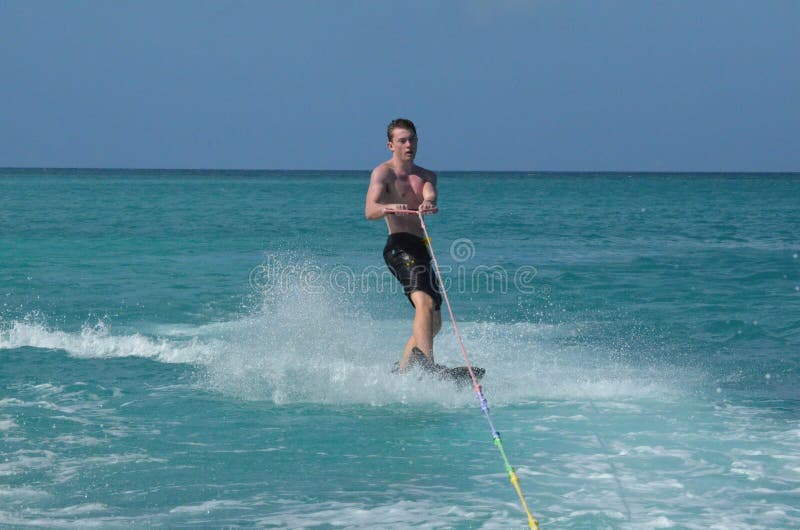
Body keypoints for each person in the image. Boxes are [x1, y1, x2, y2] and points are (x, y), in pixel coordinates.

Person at [365, 118, 443, 372]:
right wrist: (388, 207)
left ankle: (403, 369)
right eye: (403, 140)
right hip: (399, 247)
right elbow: (370, 210)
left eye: (413, 139)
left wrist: (428, 202)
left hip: (421, 249)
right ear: (391, 145)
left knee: (435, 323)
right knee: (425, 305)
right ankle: (428, 366)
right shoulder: (383, 173)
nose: (409, 144)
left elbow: (429, 192)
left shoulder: (426, 175)